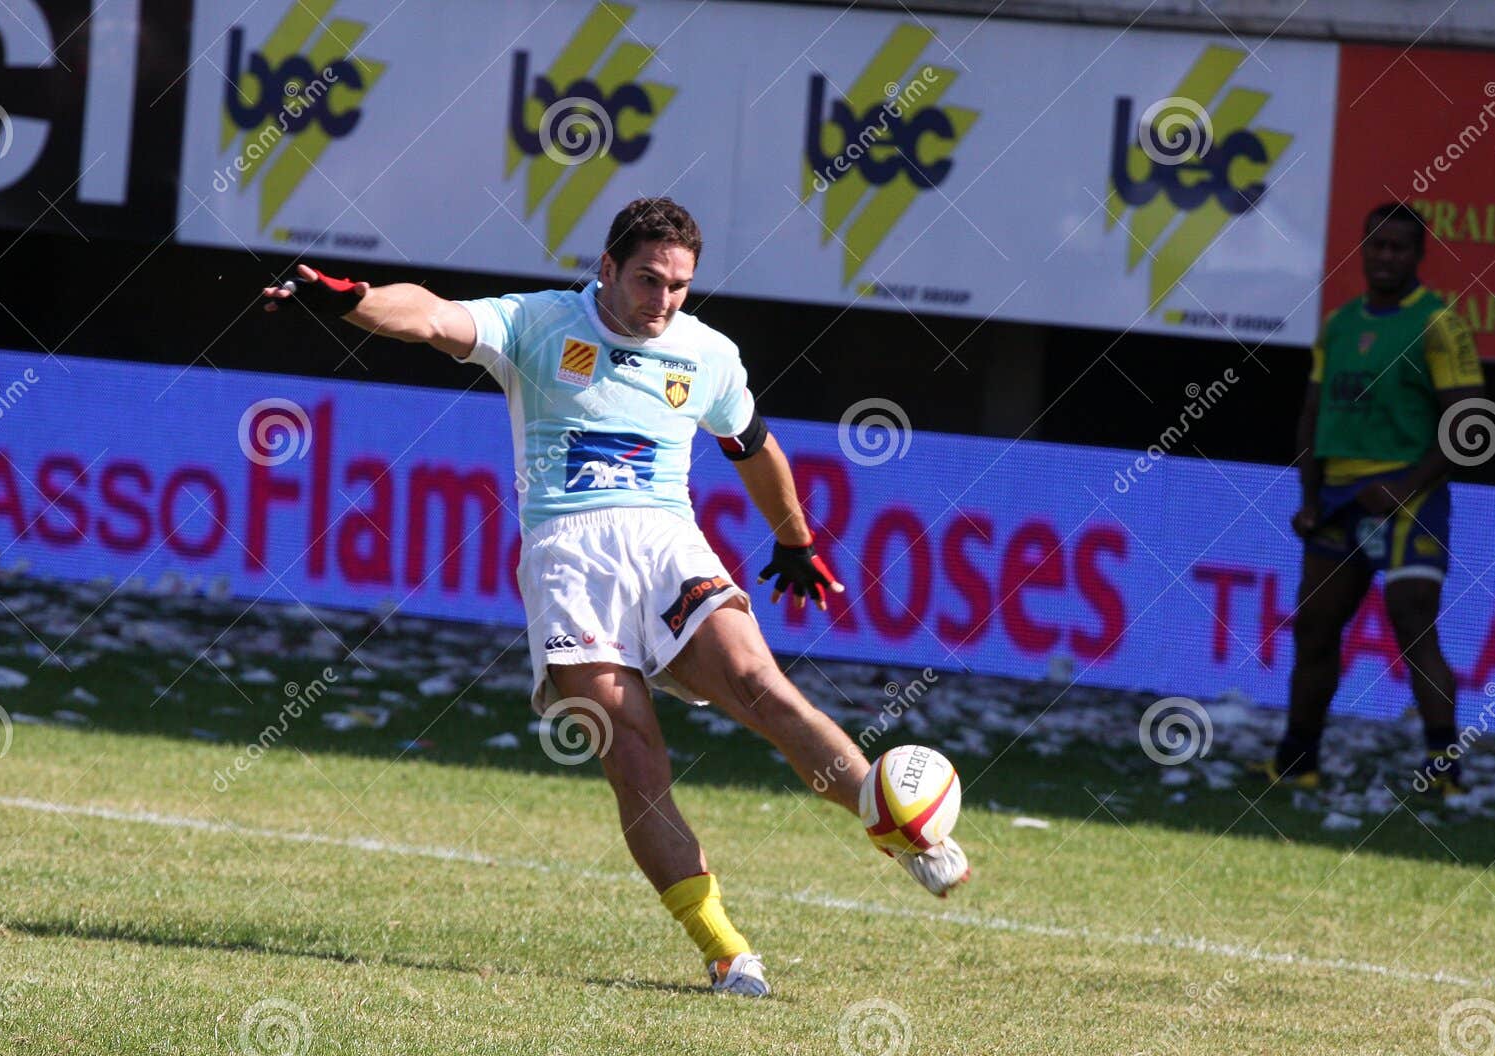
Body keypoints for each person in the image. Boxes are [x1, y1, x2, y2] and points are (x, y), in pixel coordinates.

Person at [261, 197, 970, 996]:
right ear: (606, 267)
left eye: (679, 285)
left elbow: (753, 445)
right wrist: (351, 299)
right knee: (635, 758)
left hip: (668, 543)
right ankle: (728, 952)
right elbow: (430, 317)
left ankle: (897, 827)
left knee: (760, 686)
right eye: (647, 279)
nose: (662, 300)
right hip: (568, 559)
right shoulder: (537, 323)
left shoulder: (706, 354)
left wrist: (796, 538)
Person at [1258, 202, 1485, 798]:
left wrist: (1407, 485)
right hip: (1338, 500)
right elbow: (1312, 412)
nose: (1386, 257)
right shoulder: (1337, 324)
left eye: (1400, 248)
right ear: (1362, 250)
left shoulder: (1440, 323)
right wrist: (1309, 495)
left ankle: (1445, 771)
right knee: (1313, 630)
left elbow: (1471, 424)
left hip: (1412, 499)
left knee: (1414, 625)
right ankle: (1296, 761)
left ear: (1419, 255)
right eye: (1377, 246)